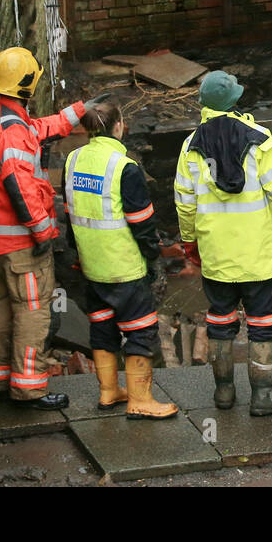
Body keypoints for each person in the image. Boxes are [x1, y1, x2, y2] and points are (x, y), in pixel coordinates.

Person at [174, 71, 272, 416]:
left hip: (216, 255)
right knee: (262, 323)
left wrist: (190, 243)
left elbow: (184, 202)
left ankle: (223, 393)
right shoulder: (260, 139)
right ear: (235, 101)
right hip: (258, 256)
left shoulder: (190, 146)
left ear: (203, 103)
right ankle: (263, 396)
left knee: (220, 320)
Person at [0, 46, 100, 411]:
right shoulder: (11, 130)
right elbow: (20, 185)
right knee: (32, 311)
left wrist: (77, 111)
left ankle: (3, 381)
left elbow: (38, 129)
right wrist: (44, 232)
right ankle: (29, 390)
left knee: (1, 310)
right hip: (20, 245)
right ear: (27, 86)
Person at [63, 102, 178, 419]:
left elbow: (71, 212)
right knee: (140, 330)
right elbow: (142, 222)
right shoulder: (124, 167)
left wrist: (78, 254)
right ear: (119, 126)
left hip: (92, 265)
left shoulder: (73, 160)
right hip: (124, 267)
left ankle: (109, 391)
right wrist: (153, 256)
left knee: (102, 328)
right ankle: (140, 400)